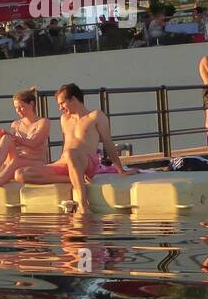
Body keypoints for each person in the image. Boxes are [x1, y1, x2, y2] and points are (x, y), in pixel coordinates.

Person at [14, 83, 132, 213]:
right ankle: (73, 178)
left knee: (70, 153)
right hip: (65, 162)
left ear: (74, 99)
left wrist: (120, 170)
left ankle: (83, 205)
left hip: (86, 162)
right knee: (20, 174)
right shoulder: (64, 119)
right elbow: (66, 144)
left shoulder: (95, 116)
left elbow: (108, 143)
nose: (60, 108)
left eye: (62, 103)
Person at [0, 87, 50, 194]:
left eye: (21, 107)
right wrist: (0, 140)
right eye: (16, 108)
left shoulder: (43, 122)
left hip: (35, 161)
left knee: (15, 158)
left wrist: (12, 136)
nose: (18, 110)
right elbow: (10, 144)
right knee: (6, 139)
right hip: (17, 159)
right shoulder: (16, 124)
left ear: (31, 104)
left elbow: (34, 143)